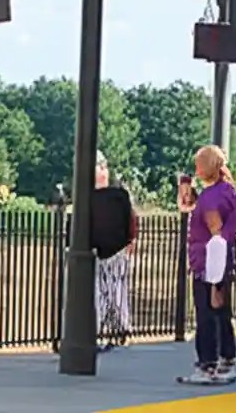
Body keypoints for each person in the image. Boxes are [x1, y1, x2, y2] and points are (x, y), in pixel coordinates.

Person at [176, 145, 236, 386]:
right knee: (221, 314)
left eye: (199, 165)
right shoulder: (227, 192)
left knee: (206, 315)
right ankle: (226, 358)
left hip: (208, 264)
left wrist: (214, 276)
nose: (196, 170)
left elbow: (216, 233)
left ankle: (207, 364)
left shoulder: (211, 199)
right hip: (222, 262)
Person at [92, 151, 137, 352]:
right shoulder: (117, 196)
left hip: (114, 251)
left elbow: (130, 220)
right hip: (101, 251)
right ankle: (107, 329)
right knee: (104, 291)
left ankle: (118, 328)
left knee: (113, 290)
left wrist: (131, 239)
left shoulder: (118, 196)